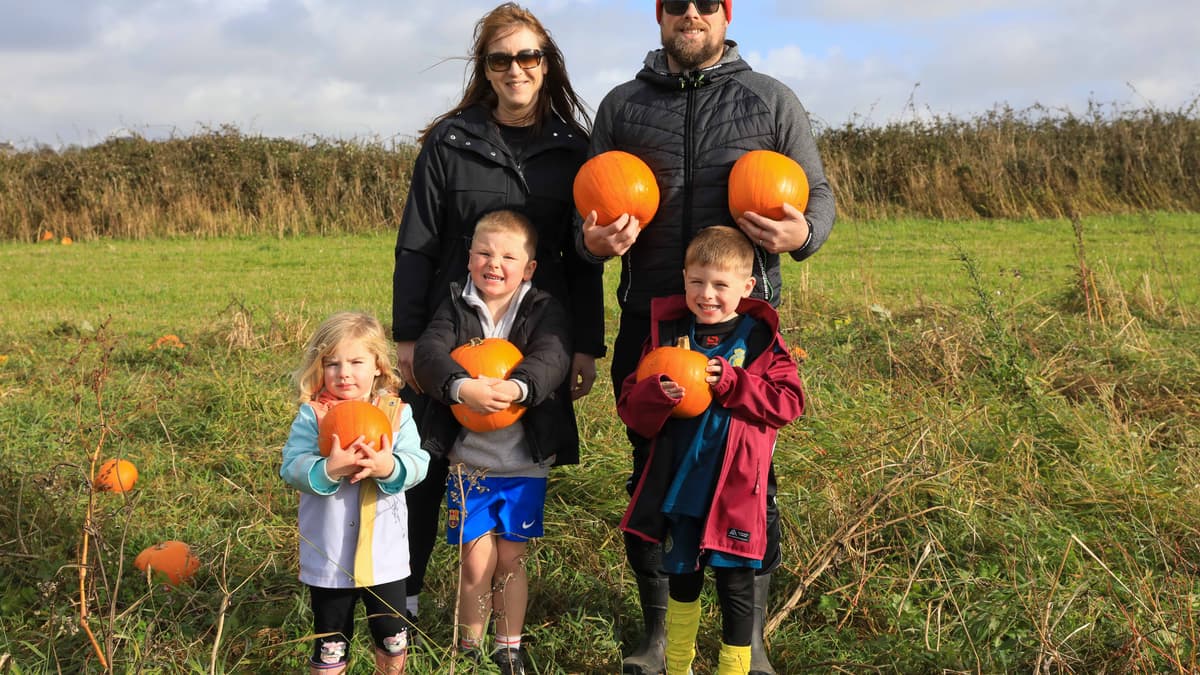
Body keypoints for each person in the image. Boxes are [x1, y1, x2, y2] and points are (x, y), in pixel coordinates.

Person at [576, 2, 836, 673]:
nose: (690, 12)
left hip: (743, 325)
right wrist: (590, 240)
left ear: (725, 13)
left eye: (705, 2)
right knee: (652, 476)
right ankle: (661, 635)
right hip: (653, 323)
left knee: (750, 478)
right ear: (659, 16)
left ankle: (748, 644)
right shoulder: (622, 106)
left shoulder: (770, 100)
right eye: (675, 3)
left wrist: (802, 233)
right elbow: (587, 203)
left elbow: (821, 196)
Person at [391, 2, 604, 641]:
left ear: (547, 63)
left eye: (528, 56)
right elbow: (416, 243)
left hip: (540, 328)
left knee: (517, 445)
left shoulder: (575, 149)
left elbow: (582, 256)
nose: (516, 68)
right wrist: (406, 337)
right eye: (501, 58)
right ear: (485, 68)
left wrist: (586, 345)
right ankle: (405, 594)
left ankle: (501, 609)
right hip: (451, 323)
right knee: (427, 457)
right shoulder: (450, 143)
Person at [617, 226, 804, 674]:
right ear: (683, 280)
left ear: (746, 287)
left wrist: (735, 384)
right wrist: (657, 395)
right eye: (697, 282)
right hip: (682, 488)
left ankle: (733, 668)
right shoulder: (667, 336)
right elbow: (631, 408)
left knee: (736, 585)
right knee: (682, 580)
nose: (707, 295)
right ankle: (677, 664)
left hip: (735, 491)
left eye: (721, 285)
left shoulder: (759, 339)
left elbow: (789, 402)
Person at [412, 210, 576, 675]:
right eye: (484, 252)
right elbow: (429, 354)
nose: (494, 263)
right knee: (475, 557)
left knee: (510, 556)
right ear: (469, 259)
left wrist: (520, 387)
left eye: (508, 255)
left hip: (524, 463)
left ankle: (509, 647)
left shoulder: (543, 309)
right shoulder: (454, 306)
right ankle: (468, 646)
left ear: (529, 268)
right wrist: (460, 388)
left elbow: (553, 355)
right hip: (470, 464)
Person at [280, 312, 431, 675]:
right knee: (332, 639)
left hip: (385, 555)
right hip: (329, 553)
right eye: (332, 363)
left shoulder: (397, 414)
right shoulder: (312, 416)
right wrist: (328, 469)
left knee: (391, 633)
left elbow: (418, 462)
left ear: (378, 365)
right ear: (320, 367)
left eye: (356, 362)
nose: (344, 373)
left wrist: (388, 468)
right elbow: (291, 466)